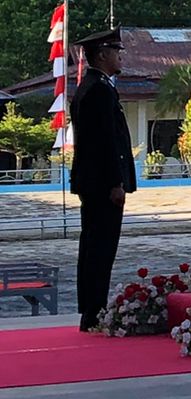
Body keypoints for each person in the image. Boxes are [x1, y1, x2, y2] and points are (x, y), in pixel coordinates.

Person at [69, 29, 136, 332]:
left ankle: (91, 308)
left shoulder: (91, 86)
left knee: (94, 246)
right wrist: (115, 182)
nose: (120, 56)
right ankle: (94, 310)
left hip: (92, 182)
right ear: (101, 55)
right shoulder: (98, 89)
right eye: (115, 50)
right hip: (101, 184)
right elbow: (105, 142)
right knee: (100, 247)